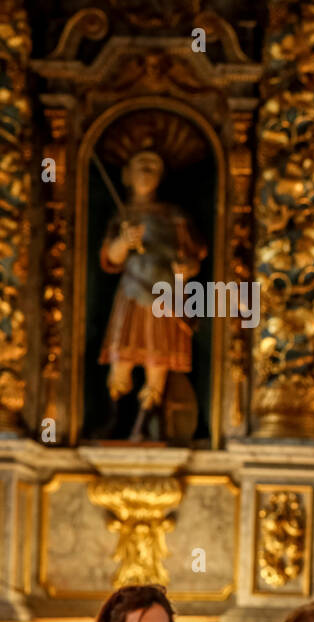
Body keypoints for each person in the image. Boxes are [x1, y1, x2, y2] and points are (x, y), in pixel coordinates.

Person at [97, 150, 207, 441]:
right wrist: (124, 241)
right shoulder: (123, 215)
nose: (147, 171)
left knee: (157, 361)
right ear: (127, 175)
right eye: (140, 164)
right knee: (123, 357)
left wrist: (187, 267)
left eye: (153, 166)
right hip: (132, 294)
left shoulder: (175, 216)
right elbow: (111, 258)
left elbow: (195, 255)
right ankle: (116, 418)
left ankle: (145, 422)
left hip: (165, 296)